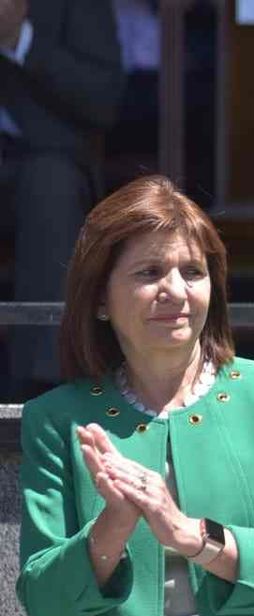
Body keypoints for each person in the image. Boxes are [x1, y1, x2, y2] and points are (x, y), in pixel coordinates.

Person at [17, 175, 254, 616]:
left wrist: (192, 535)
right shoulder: (58, 419)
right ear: (101, 299)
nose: (175, 290)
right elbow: (48, 606)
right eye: (149, 272)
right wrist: (115, 523)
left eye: (192, 271)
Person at [0, 0, 125, 398]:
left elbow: (103, 98)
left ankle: (40, 389)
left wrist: (19, 39)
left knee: (49, 185)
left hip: (42, 162)